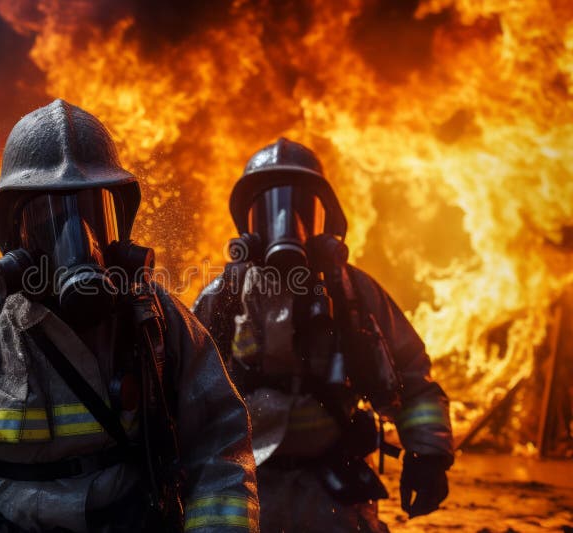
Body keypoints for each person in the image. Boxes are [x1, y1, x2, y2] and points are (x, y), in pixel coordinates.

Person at [0, 99, 259, 533]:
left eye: (92, 215)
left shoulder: (154, 318)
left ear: (118, 227)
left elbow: (219, 445)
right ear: (15, 240)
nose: (77, 241)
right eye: (48, 221)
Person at [193, 138, 453, 532]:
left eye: (302, 208)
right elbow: (182, 387)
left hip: (332, 487)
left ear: (324, 221)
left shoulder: (354, 292)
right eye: (268, 208)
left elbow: (412, 374)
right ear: (246, 226)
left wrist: (428, 454)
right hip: (243, 485)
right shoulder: (223, 296)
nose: (285, 222)